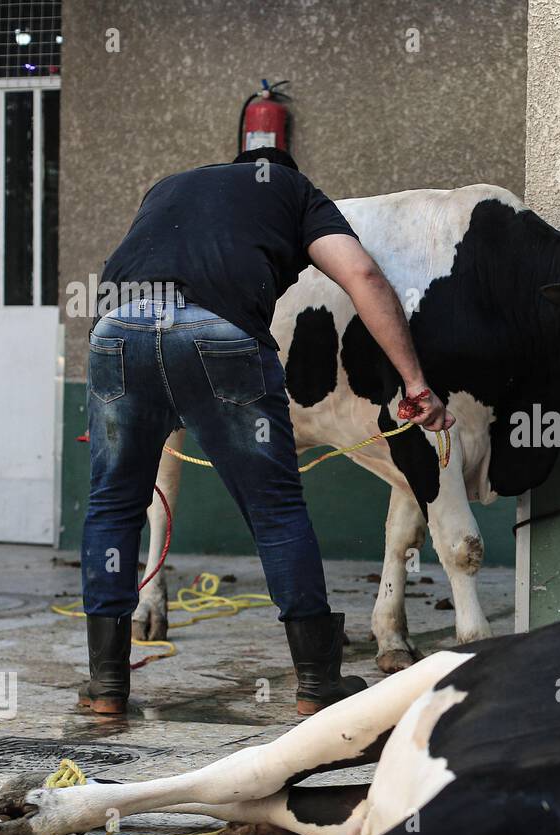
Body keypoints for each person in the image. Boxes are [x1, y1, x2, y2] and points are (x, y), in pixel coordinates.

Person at [81, 147, 453, 717]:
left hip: (116, 333)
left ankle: (107, 685)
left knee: (112, 504)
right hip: (221, 337)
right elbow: (363, 274)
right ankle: (315, 682)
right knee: (275, 509)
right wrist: (415, 383)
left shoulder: (169, 186)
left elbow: (131, 264)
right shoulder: (294, 191)